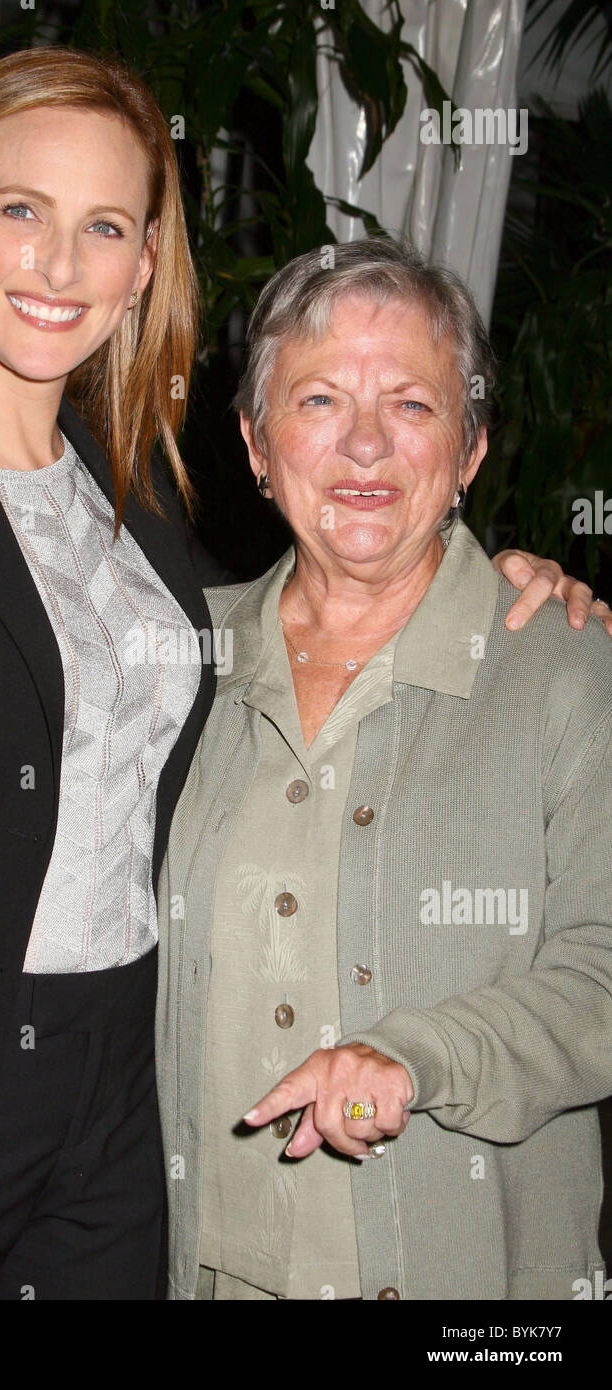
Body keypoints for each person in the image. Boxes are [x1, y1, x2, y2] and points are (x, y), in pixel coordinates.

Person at [0, 48, 604, 1302]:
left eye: (103, 225)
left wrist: (535, 584)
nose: (57, 264)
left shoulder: (140, 505)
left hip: (122, 1101)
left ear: (145, 262)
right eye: (20, 211)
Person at [155, 237, 612, 1301]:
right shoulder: (179, 660)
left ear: (468, 450)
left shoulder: (558, 662)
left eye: (410, 404)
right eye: (316, 401)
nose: (364, 444)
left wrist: (416, 1059)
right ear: (256, 446)